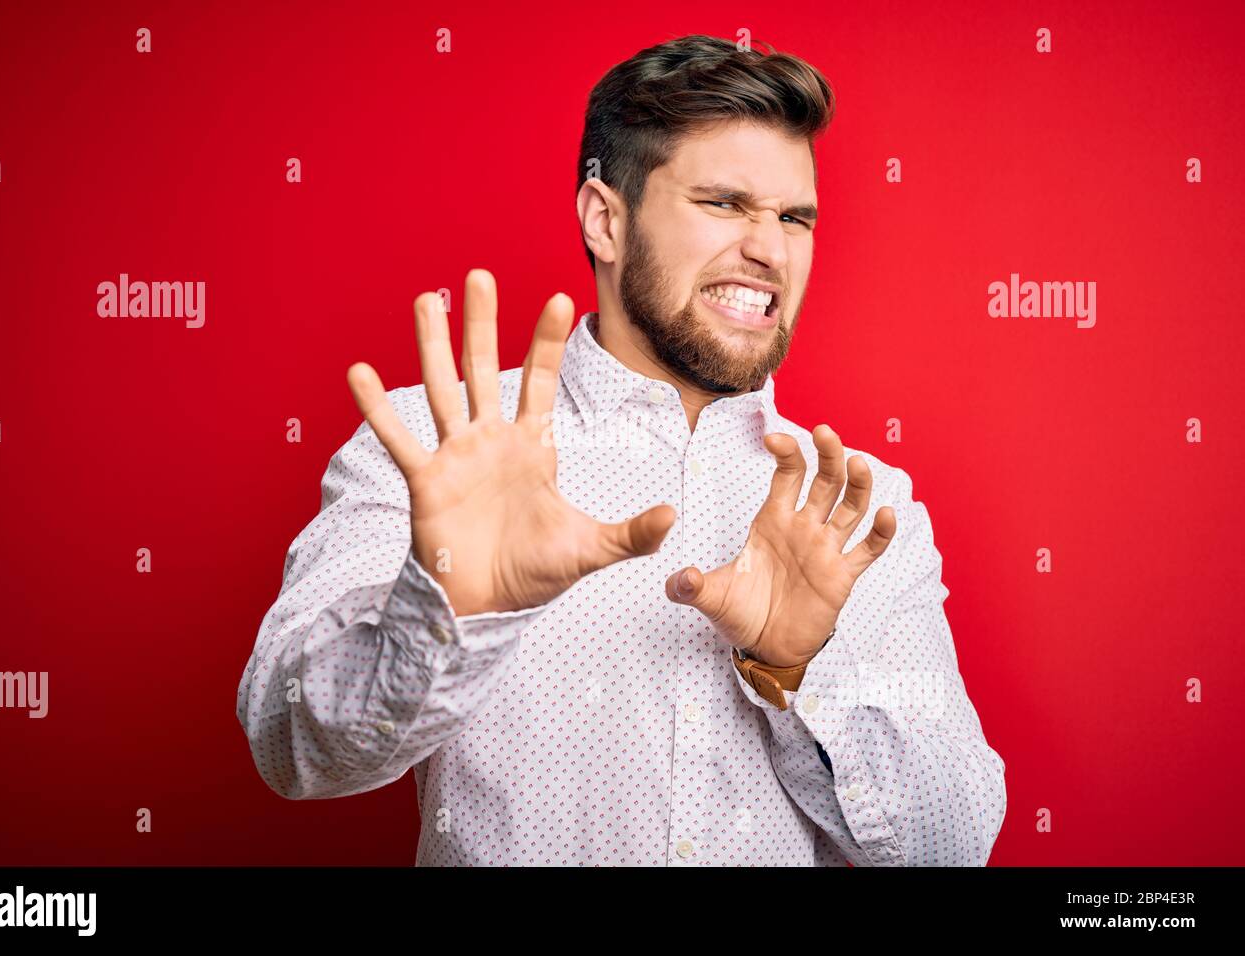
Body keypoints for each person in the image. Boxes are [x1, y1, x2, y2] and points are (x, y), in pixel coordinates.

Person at [236, 33, 1007, 866]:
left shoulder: (862, 508)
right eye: (723, 203)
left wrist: (801, 667)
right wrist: (450, 608)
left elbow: (953, 848)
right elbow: (289, 749)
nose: (770, 249)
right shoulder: (437, 441)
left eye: (793, 217)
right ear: (606, 218)